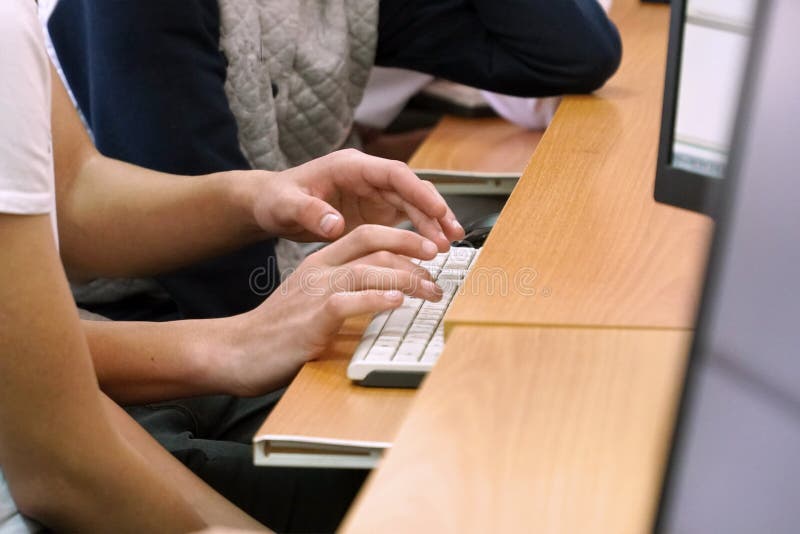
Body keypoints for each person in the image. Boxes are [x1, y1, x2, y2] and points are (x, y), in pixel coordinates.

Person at [0, 1, 464, 531]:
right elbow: (58, 457)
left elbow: (71, 198)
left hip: (84, 383)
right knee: (428, 483)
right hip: (62, 424)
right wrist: (227, 343)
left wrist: (261, 198)